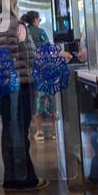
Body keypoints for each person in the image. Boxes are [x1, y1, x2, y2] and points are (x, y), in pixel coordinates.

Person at [0, 0, 43, 189]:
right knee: (20, 129)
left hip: (2, 87)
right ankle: (24, 176)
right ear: (12, 5)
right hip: (21, 85)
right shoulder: (19, 27)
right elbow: (31, 56)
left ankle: (9, 175)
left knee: (8, 128)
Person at [22, 11, 55, 141]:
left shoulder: (25, 32)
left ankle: (39, 131)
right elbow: (48, 49)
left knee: (35, 100)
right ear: (35, 20)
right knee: (49, 99)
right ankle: (53, 132)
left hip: (31, 71)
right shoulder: (41, 32)